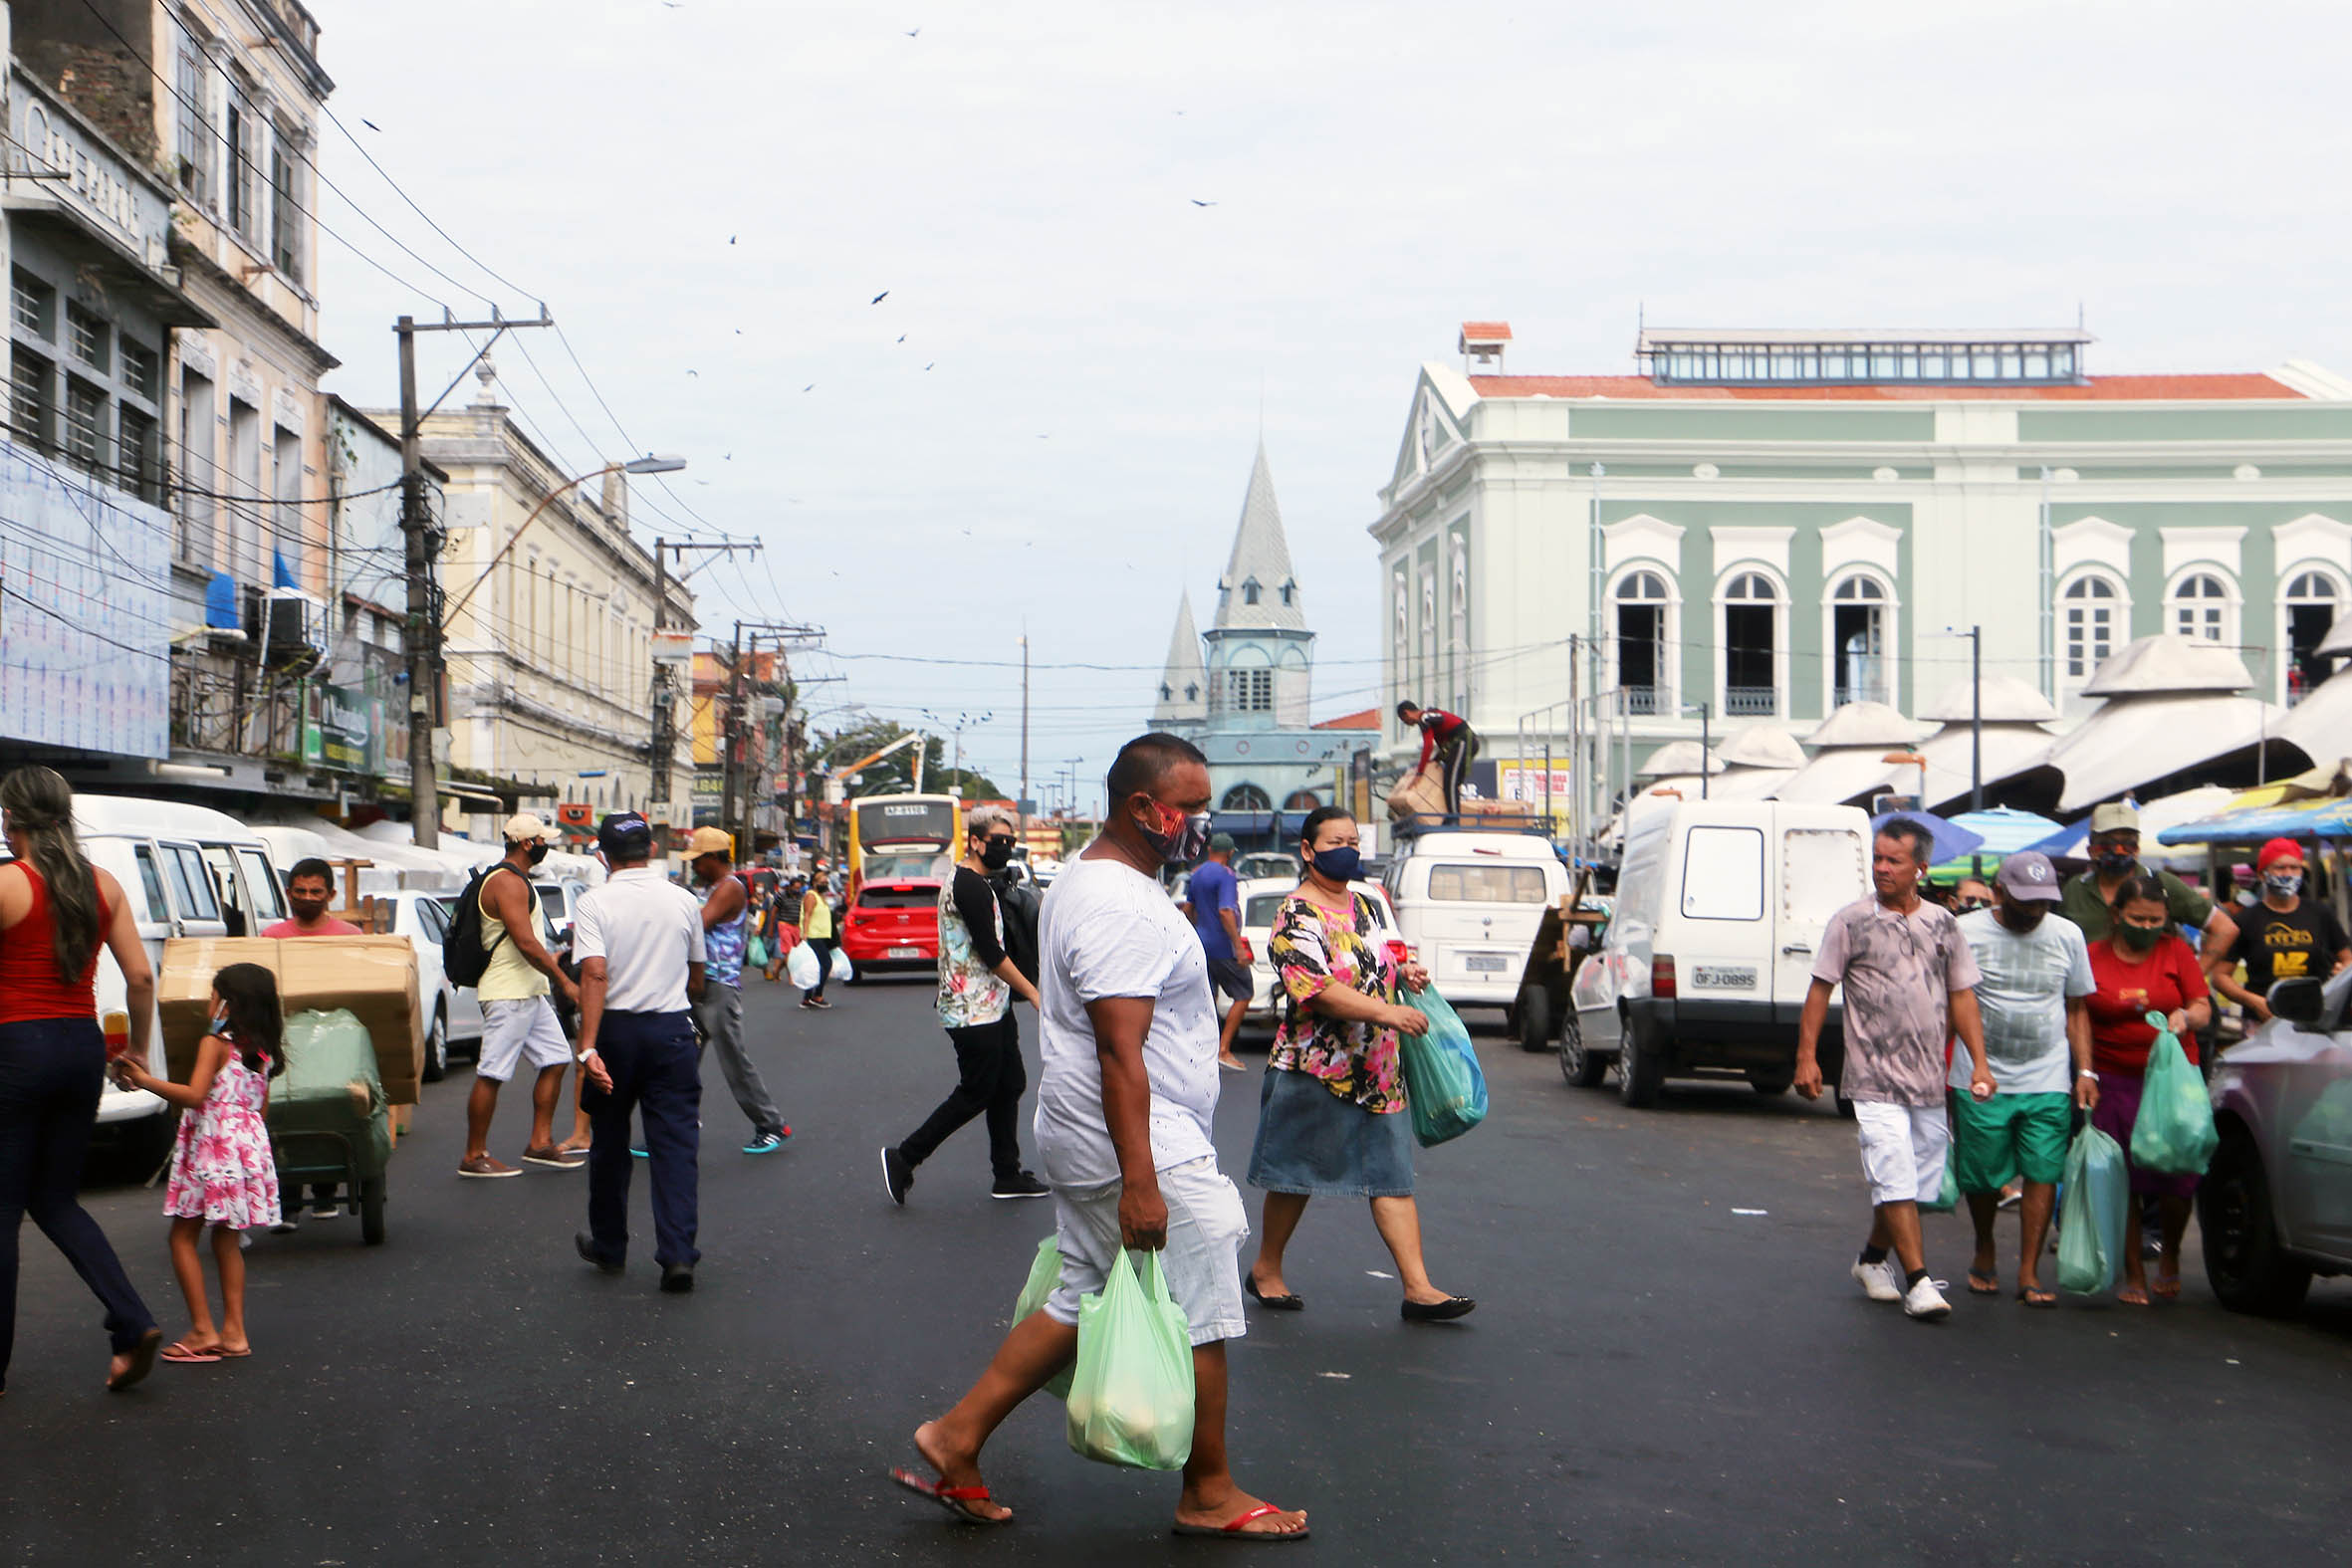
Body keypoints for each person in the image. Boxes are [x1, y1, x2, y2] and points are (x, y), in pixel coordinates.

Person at [891, 733, 1307, 1539]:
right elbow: (1123, 1053)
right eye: (1187, 807)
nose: (1200, 821)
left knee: (1083, 1288)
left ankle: (955, 1436)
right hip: (1137, 1135)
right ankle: (1210, 1490)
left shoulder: (1097, 878)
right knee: (1204, 1302)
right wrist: (1144, 1179)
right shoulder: (1118, 904)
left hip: (1091, 1128)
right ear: (1142, 808)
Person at [1244, 806, 1473, 1322]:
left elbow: (1380, 961)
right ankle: (1266, 1269)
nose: (1347, 848)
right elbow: (1313, 988)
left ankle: (1418, 1288)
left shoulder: (1364, 906)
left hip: (1377, 1070)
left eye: (1353, 838)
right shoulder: (1295, 914)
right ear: (1308, 850)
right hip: (1315, 1068)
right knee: (1292, 1176)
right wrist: (1387, 1011)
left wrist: (1405, 976)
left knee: (1393, 1179)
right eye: (1335, 840)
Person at [0, 766, 163, 1396]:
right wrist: (139, 1053)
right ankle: (132, 1320)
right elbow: (141, 979)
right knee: (57, 1200)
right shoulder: (105, 884)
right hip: (79, 1048)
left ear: (11, 817)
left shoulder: (9, 883)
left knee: (2, 1210)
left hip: (14, 1047)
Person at [1795, 817, 1992, 1323]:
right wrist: (1807, 1056)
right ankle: (1920, 1281)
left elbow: (1962, 995)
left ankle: (1871, 1259)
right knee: (1893, 1171)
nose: (1881, 868)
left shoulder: (1944, 924)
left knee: (1916, 1187)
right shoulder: (1851, 921)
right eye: (1878, 859)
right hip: (1872, 1076)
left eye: (1893, 860)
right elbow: (1820, 988)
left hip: (1926, 1078)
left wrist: (1979, 1063)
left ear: (1920, 868)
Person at [114, 962, 284, 1363]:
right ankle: (235, 1333)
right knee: (227, 1239)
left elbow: (194, 1095)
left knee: (182, 1237)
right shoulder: (262, 1051)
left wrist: (143, 1080)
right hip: (246, 1146)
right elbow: (261, 1105)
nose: (210, 1002)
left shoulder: (216, 1043)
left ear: (227, 1002)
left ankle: (202, 1330)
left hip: (213, 1145)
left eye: (214, 994)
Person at [1948, 853, 2096, 1307]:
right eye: (2024, 902)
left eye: (2043, 903)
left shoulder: (2067, 935)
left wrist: (2085, 1069)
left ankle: (2029, 1269)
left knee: (2042, 1171)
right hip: (1979, 1073)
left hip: (2046, 1073)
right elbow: (1953, 1000)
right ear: (1999, 893)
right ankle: (1985, 1242)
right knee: (1981, 1176)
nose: (2034, 911)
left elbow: (2076, 1008)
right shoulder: (1966, 931)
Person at [882, 805, 1049, 1205]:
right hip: (971, 1009)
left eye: (1010, 842)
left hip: (991, 1003)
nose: (1005, 848)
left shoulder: (979, 881)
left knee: (1010, 1084)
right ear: (975, 842)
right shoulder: (970, 885)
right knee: (977, 1091)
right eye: (998, 842)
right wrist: (1035, 993)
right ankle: (904, 1157)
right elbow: (992, 954)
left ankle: (1006, 1174)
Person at [573, 812, 708, 1292]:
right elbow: (697, 977)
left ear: (604, 855)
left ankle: (610, 1247)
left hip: (614, 1031)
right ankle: (677, 1256)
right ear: (652, 849)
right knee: (674, 1146)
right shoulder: (684, 900)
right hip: (671, 1030)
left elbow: (593, 974)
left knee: (609, 1143)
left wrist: (587, 1048)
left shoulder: (593, 903)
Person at [2084, 872, 2212, 1305]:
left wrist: (2185, 1018)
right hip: (2113, 1080)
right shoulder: (2092, 956)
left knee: (2178, 1175)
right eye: (2137, 918)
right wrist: (2084, 1073)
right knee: (2124, 1178)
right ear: (2116, 915)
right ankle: (2134, 1270)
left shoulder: (2176, 951)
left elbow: (2201, 1004)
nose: (2146, 927)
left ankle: (2171, 1251)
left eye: (2154, 919)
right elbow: (2077, 1013)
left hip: (2173, 1082)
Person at [462, 814, 584, 1177]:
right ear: (528, 843)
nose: (547, 846)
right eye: (543, 840)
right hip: (508, 993)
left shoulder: (515, 880)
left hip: (527, 991)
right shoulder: (507, 883)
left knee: (557, 1057)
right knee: (492, 1073)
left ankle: (540, 1143)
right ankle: (473, 1155)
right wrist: (565, 980)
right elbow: (527, 943)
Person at [685, 828, 790, 1156]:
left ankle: (771, 1124)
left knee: (734, 1062)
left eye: (698, 861)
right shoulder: (713, 887)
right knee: (680, 1060)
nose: (694, 867)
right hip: (699, 985)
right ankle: (676, 1125)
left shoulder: (729, 888)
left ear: (714, 858)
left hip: (719, 986)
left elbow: (696, 924)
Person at [2059, 800, 2237, 952]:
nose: (2118, 851)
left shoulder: (2161, 883)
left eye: (2127, 844)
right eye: (2107, 844)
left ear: (2137, 849)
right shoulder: (2075, 889)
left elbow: (2225, 928)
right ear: (2091, 850)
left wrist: (2194, 977)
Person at [2209, 837, 2350, 1024]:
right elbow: (2219, 976)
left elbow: (2347, 958)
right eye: (2280, 868)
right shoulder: (2247, 919)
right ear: (2262, 874)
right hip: (2264, 1022)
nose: (2288, 874)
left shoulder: (2320, 914)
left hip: (2316, 1020)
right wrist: (2254, 1002)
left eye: (2294, 867)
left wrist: (2342, 971)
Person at [1180, 832, 1254, 1072]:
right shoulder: (1226, 875)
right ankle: (1223, 1050)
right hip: (1223, 946)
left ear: (1210, 849)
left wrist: (1198, 928)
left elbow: (1188, 908)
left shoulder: (1197, 873)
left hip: (1202, 944)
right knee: (1243, 993)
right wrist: (1238, 947)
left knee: (1208, 999)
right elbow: (1225, 911)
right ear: (1230, 853)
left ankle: (1201, 1051)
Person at [1396, 700, 1478, 819]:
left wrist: (1420, 773)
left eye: (1405, 720)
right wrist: (1435, 760)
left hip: (1463, 742)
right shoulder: (1429, 716)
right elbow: (1443, 742)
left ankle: (1454, 818)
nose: (1408, 724)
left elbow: (1428, 746)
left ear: (1406, 713)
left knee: (1450, 782)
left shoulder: (1424, 718)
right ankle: (1452, 815)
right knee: (1451, 783)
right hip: (1459, 744)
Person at [261, 858, 360, 937]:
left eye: (315, 892)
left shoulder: (351, 936)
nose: (307, 898)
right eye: (300, 891)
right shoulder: (272, 937)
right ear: (288, 894)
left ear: (331, 895)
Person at [799, 873, 837, 1010]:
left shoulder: (821, 897)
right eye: (823, 882)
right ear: (814, 882)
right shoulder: (811, 896)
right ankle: (817, 995)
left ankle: (807, 998)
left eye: (826, 882)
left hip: (821, 935)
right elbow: (807, 915)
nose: (825, 884)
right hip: (813, 936)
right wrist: (805, 935)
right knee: (826, 964)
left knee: (815, 967)